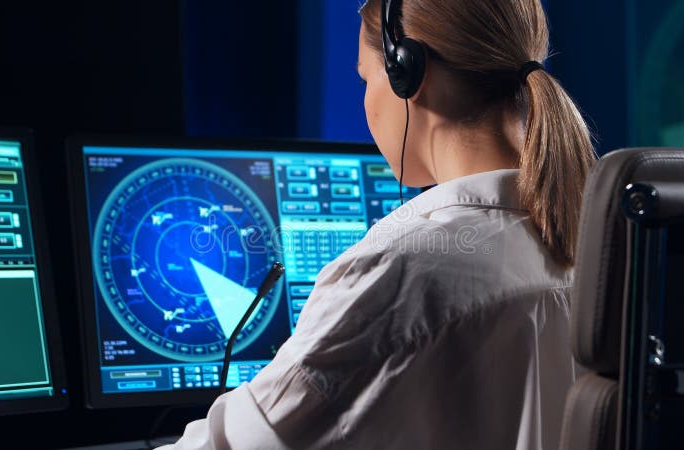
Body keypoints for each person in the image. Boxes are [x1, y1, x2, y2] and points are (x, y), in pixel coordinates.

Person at [159, 0, 594, 448]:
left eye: (367, 79)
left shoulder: (399, 277)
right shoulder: (592, 244)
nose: (366, 102)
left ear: (410, 74)